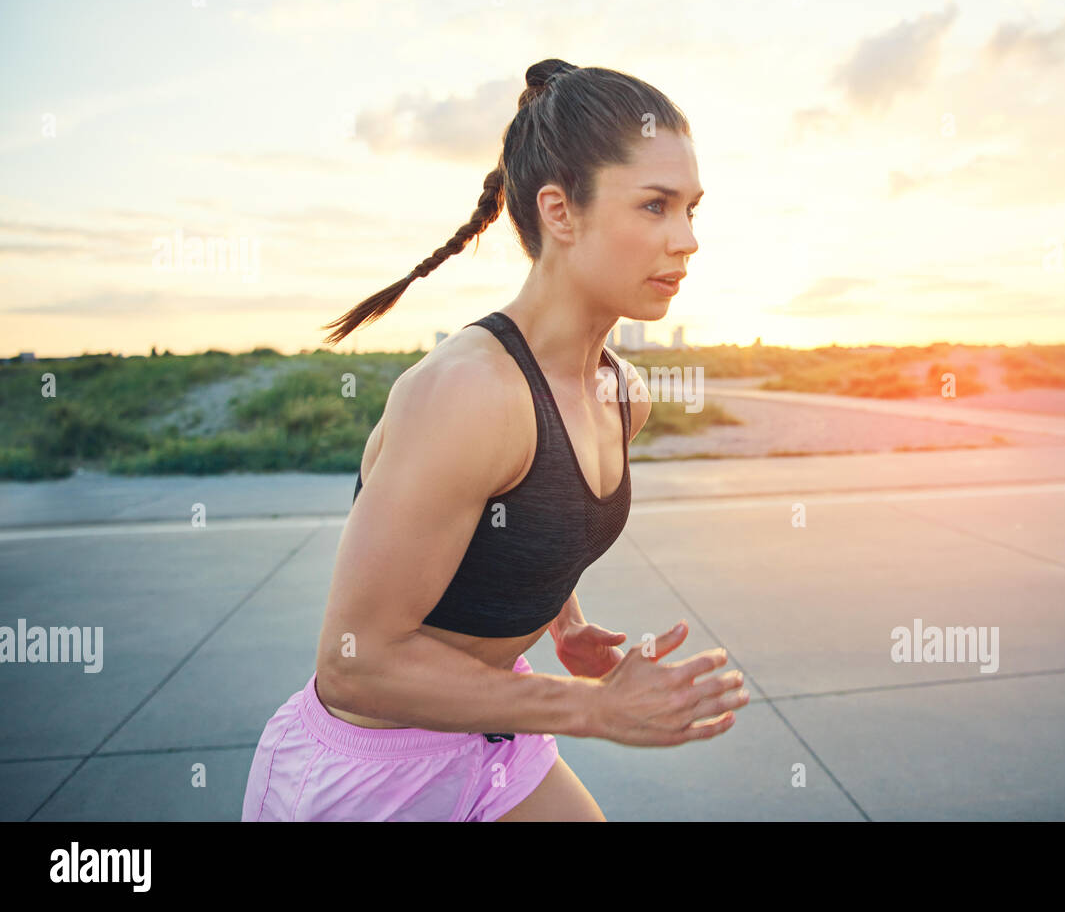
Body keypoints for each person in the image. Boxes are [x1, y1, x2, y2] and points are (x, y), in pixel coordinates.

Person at [241, 59, 749, 822]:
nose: (687, 240)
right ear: (560, 212)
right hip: (369, 771)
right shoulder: (466, 394)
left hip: (493, 739)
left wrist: (566, 623)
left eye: (692, 210)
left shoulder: (621, 396)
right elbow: (356, 665)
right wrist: (593, 707)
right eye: (655, 207)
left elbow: (518, 513)